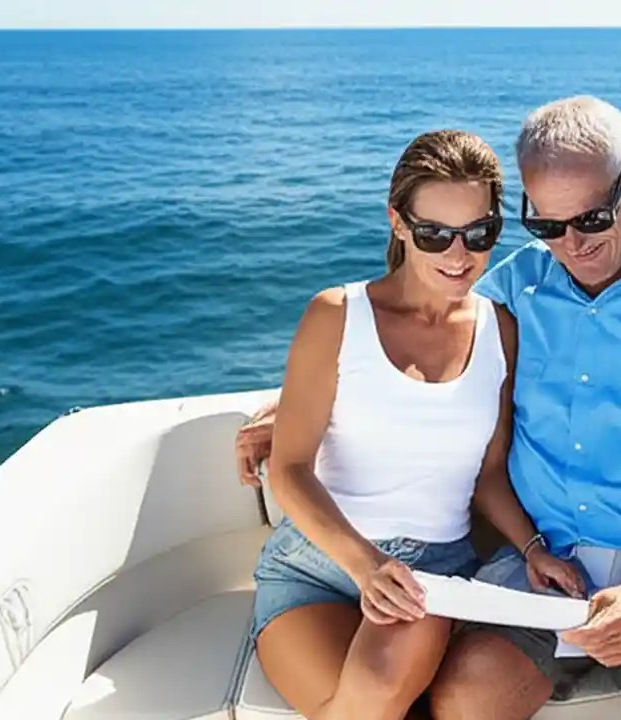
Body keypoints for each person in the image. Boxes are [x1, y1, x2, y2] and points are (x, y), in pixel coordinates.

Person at [238, 97, 621, 720]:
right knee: (467, 697)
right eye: (548, 226)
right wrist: (289, 406)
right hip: (552, 573)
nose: (572, 245)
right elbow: (417, 332)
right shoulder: (516, 287)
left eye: (591, 219)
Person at [239, 129, 584, 720]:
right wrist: (365, 565)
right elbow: (291, 471)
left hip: (430, 577)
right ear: (398, 223)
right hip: (314, 568)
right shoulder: (335, 316)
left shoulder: (500, 330)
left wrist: (532, 548)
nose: (458, 254)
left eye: (479, 234)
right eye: (435, 234)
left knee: (374, 690)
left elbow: (489, 475)